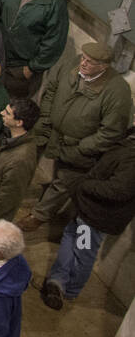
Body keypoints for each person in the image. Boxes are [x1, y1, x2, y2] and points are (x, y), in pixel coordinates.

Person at [21, 43, 134, 234]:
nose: (84, 63)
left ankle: (39, 216)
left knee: (65, 180)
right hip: (53, 134)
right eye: (84, 58)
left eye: (91, 62)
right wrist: (46, 117)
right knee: (45, 166)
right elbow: (52, 89)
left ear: (104, 66)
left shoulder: (117, 91)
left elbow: (111, 132)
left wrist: (82, 147)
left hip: (79, 147)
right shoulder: (73, 65)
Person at [40, 130, 135, 310]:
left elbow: (119, 190)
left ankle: (69, 290)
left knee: (82, 250)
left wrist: (84, 185)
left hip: (97, 215)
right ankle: (57, 281)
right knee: (70, 237)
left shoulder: (132, 155)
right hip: (88, 209)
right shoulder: (128, 141)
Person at [0, 99, 41, 222]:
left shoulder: (21, 159)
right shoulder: (10, 137)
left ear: (19, 122)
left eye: (7, 113)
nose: (2, 113)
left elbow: (7, 200)